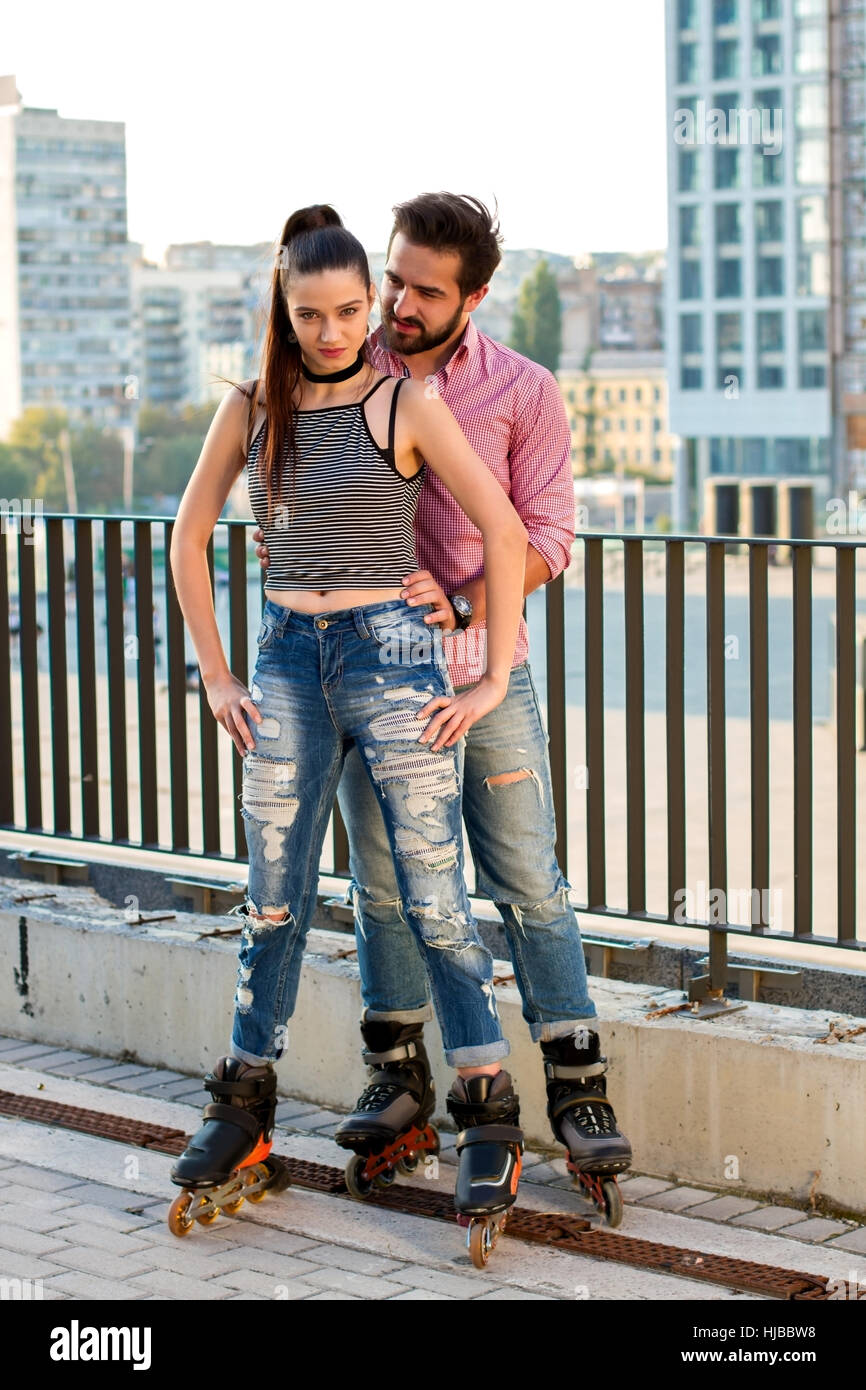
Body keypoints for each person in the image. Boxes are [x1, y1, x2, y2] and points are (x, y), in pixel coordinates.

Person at [254, 193, 633, 1190]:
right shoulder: (340, 366)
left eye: (426, 289)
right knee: (384, 885)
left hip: (485, 675)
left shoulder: (522, 389)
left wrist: (463, 598)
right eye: (395, 279)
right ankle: (399, 1079)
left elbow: (546, 536)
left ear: (474, 293)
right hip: (366, 677)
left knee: (524, 879)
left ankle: (575, 1081)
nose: (399, 304)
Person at [167, 205, 528, 1234]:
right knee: (273, 896)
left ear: (368, 307)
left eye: (347, 312)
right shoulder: (248, 408)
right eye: (308, 314)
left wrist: (490, 677)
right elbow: (188, 538)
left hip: (395, 656)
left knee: (433, 895)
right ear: (281, 313)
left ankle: (486, 1106)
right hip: (284, 661)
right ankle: (243, 1101)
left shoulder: (406, 401)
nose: (330, 332)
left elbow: (502, 534)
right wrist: (216, 673)